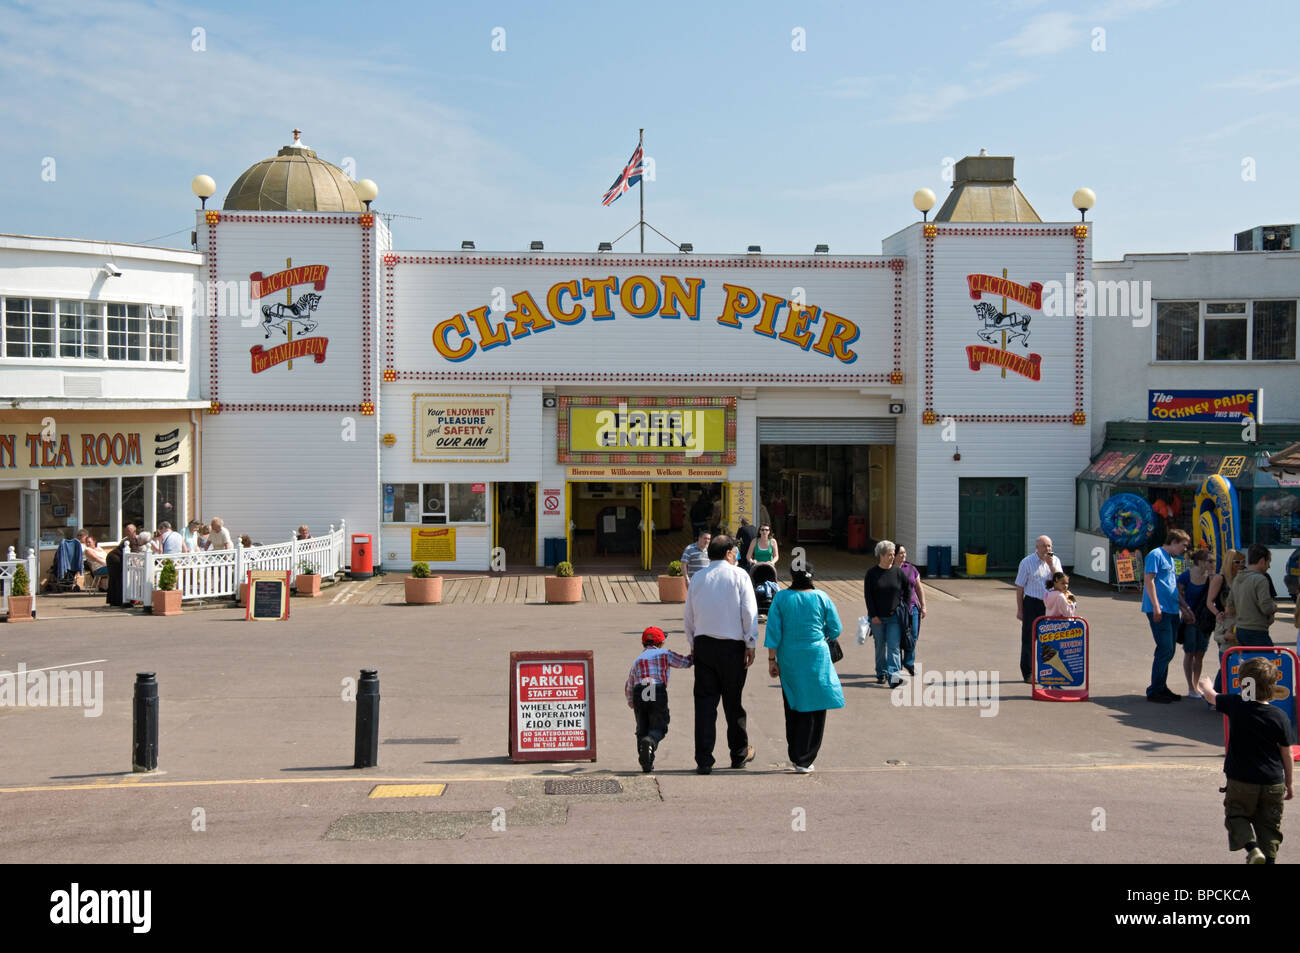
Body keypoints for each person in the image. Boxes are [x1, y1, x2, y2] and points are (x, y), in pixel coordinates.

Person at [1197, 658, 1294, 864]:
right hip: (1273, 781)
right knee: (1269, 826)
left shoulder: (1237, 705)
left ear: (1244, 684)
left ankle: (1252, 848)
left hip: (1241, 779)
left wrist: (1207, 686)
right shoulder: (1280, 716)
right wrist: (1290, 783)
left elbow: (1211, 696)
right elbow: (1287, 754)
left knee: (1236, 816)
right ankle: (1268, 859)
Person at [683, 534, 759, 775]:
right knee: (733, 702)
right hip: (732, 647)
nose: (736, 554)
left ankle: (704, 759)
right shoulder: (739, 575)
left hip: (704, 644)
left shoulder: (697, 578)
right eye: (734, 551)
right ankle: (738, 754)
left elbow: (688, 616)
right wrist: (751, 642)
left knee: (705, 704)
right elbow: (749, 611)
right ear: (728, 553)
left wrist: (694, 643)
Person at [764, 562, 844, 773]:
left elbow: (773, 632)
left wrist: (772, 660)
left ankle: (796, 753)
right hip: (817, 657)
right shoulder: (821, 597)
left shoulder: (781, 598)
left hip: (789, 657)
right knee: (816, 706)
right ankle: (806, 758)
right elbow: (836, 628)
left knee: (793, 703)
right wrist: (824, 633)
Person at [624, 625, 693, 773]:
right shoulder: (665, 654)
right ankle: (651, 741)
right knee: (659, 725)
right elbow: (685, 662)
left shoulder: (638, 660)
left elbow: (630, 682)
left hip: (639, 691)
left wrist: (630, 700)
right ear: (661, 642)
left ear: (644, 643)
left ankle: (646, 762)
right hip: (657, 689)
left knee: (642, 728)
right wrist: (693, 655)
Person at [1142, 527, 1191, 702]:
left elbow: (1172, 587)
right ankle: (1155, 689)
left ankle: (1161, 687)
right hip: (1160, 609)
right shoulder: (1155, 555)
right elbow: (1149, 580)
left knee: (1168, 650)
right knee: (1165, 648)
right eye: (1184, 545)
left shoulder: (1170, 559)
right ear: (1174, 542)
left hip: (1170, 609)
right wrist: (1156, 606)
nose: (1185, 549)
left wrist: (1184, 607)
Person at [1015, 536, 1062, 683]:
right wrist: (1020, 610)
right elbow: (1019, 587)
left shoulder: (1055, 560)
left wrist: (1051, 567)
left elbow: (1060, 583)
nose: (1047, 549)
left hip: (1050, 604)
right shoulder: (1027, 562)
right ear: (1037, 547)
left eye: (1049, 546)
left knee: (1048, 639)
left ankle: (1047, 672)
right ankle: (1028, 674)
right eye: (1044, 546)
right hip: (1032, 603)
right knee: (1029, 639)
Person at [864, 539, 910, 689]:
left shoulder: (897, 572)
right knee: (879, 646)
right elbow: (868, 596)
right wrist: (873, 615)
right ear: (881, 556)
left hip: (894, 617)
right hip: (877, 617)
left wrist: (906, 606)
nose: (892, 557)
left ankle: (895, 678)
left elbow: (908, 588)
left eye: (893, 554)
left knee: (894, 647)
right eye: (890, 555)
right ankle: (881, 672)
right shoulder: (871, 574)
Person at [1177, 549, 1214, 697]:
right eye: (1210, 561)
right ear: (1200, 562)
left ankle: (1196, 684)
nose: (1213, 564)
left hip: (1205, 620)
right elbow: (1177, 593)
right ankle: (1190, 687)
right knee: (1189, 652)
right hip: (1190, 619)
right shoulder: (1186, 575)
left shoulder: (1211, 577)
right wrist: (1185, 610)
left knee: (1200, 654)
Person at [1227, 544, 1277, 647]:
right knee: (1266, 661)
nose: (1269, 566)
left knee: (1247, 662)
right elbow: (1266, 608)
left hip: (1240, 629)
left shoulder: (1237, 578)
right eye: (1268, 562)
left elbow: (1229, 604)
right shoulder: (1261, 579)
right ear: (1262, 561)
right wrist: (1274, 607)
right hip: (1257, 631)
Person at [895, 544, 927, 675]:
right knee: (896, 637)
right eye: (900, 553)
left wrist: (923, 605)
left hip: (912, 607)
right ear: (894, 555)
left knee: (913, 635)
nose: (903, 555)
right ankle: (895, 665)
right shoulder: (889, 569)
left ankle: (909, 662)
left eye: (904, 553)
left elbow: (919, 588)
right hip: (896, 609)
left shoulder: (911, 568)